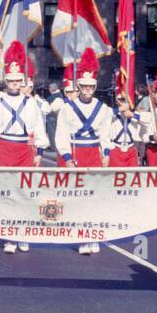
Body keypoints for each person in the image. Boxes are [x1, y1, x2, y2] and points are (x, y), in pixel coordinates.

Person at [0, 42, 46, 254]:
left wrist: (38, 152)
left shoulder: (31, 103)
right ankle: (9, 235)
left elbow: (37, 129)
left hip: (24, 150)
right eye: (10, 80)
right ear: (6, 81)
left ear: (23, 81)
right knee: (7, 193)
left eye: (17, 80)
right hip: (4, 148)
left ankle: (23, 233)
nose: (14, 84)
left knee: (25, 191)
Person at [54, 48, 114, 254]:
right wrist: (67, 158)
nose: (87, 89)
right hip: (76, 152)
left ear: (94, 86)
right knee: (77, 195)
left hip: (94, 154)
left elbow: (106, 136)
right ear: (78, 86)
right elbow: (61, 136)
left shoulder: (103, 109)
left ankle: (92, 234)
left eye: (91, 86)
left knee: (94, 195)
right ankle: (81, 236)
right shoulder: (67, 108)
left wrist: (106, 154)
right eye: (84, 86)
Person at [108, 89, 142, 169]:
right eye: (121, 100)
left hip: (131, 149)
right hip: (115, 149)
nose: (124, 102)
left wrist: (132, 115)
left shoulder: (136, 115)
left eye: (126, 100)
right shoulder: (112, 115)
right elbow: (103, 114)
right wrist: (119, 110)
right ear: (117, 101)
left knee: (132, 176)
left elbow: (149, 120)